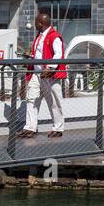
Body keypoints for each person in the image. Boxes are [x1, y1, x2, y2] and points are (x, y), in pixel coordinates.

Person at [20, 9, 67, 139]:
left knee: (54, 102)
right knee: (31, 100)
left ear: (40, 23)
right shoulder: (40, 36)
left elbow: (58, 54)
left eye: (36, 22)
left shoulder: (54, 36)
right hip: (36, 73)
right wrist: (31, 57)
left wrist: (50, 68)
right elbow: (41, 53)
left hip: (48, 75)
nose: (34, 24)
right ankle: (30, 127)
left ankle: (58, 128)